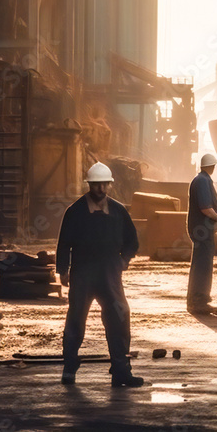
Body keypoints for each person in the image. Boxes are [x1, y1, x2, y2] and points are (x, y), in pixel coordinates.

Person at [56, 162, 142, 387]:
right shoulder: (75, 212)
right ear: (89, 185)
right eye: (97, 185)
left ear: (110, 185)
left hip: (109, 276)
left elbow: (132, 241)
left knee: (119, 318)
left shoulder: (118, 211)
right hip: (83, 275)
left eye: (105, 184)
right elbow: (64, 243)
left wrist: (124, 260)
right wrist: (62, 270)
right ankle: (69, 368)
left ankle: (121, 371)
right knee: (75, 320)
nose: (101, 189)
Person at [187, 153, 217, 313]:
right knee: (203, 265)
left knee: (200, 264)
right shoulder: (203, 181)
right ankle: (199, 300)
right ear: (212, 166)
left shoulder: (200, 179)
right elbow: (206, 208)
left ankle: (195, 299)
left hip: (201, 230)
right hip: (203, 231)